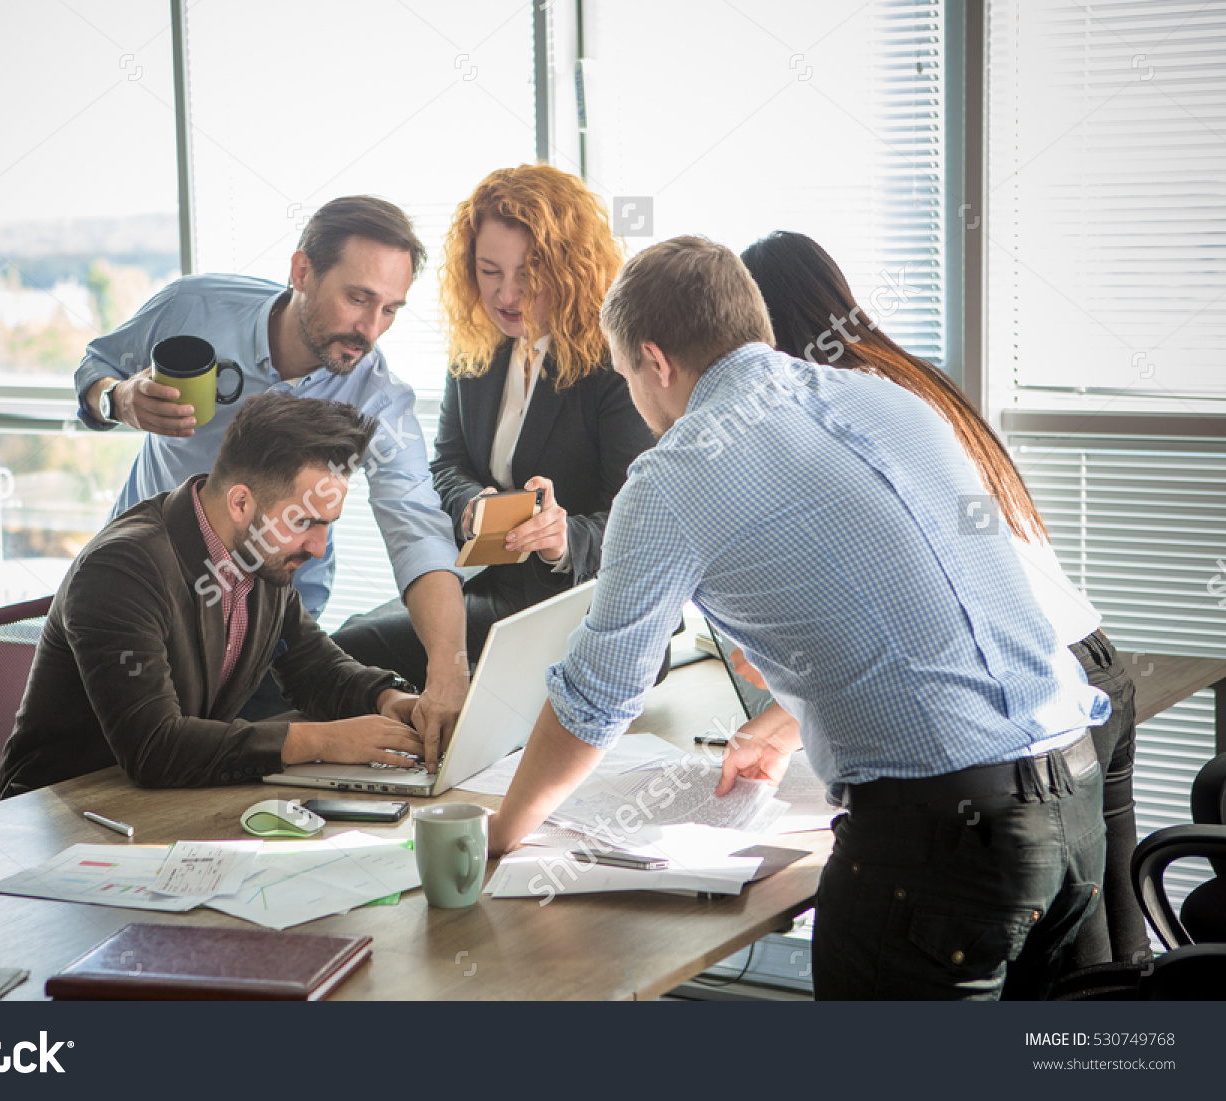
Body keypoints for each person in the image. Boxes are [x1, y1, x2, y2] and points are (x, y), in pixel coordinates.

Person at [487, 235, 1112, 1000]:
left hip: (940, 846)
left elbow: (597, 697)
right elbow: (934, 601)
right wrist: (788, 719)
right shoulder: (889, 399)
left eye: (626, 379)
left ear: (655, 361)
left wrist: (500, 835)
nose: (642, 410)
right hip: (1074, 797)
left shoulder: (673, 475)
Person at [738, 228, 1148, 972]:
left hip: (1040, 683)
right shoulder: (907, 383)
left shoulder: (841, 419)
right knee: (1114, 963)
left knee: (1086, 979)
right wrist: (784, 721)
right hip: (1089, 665)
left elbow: (913, 610)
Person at [73, 196, 467, 763]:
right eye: (358, 298)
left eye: (390, 310)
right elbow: (97, 365)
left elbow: (417, 532)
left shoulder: (380, 400)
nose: (370, 329)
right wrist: (118, 398)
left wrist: (445, 672)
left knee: (241, 776)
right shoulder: (194, 307)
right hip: (150, 600)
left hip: (265, 621)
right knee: (147, 757)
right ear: (302, 270)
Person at [0, 394, 426, 799]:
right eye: (305, 522)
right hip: (57, 810)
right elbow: (154, 747)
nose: (317, 547)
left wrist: (390, 700)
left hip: (167, 803)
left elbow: (314, 667)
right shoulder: (122, 570)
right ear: (241, 504)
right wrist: (323, 741)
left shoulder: (260, 554)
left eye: (328, 524)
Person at [330, 166, 654, 683]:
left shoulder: (614, 364)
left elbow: (639, 520)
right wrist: (472, 506)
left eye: (529, 272)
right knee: (346, 646)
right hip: (489, 582)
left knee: (353, 652)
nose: (507, 295)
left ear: (571, 268)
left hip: (581, 608)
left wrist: (560, 537)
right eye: (489, 271)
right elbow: (448, 464)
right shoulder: (476, 346)